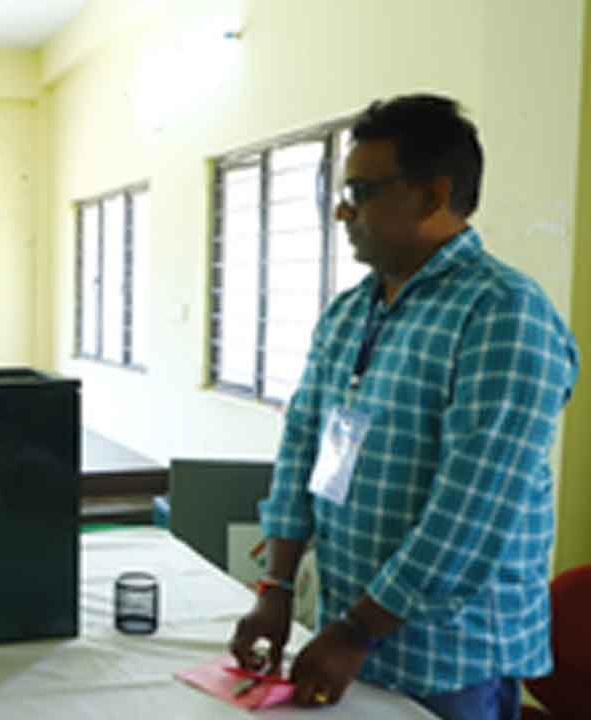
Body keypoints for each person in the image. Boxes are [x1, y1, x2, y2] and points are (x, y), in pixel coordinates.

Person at [229, 95, 579, 720]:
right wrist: (276, 587)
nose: (342, 210)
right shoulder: (350, 312)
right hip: (345, 635)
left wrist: (357, 631)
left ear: (432, 195)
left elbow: (470, 511)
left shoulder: (503, 314)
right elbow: (302, 444)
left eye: (362, 191)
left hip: (448, 657)